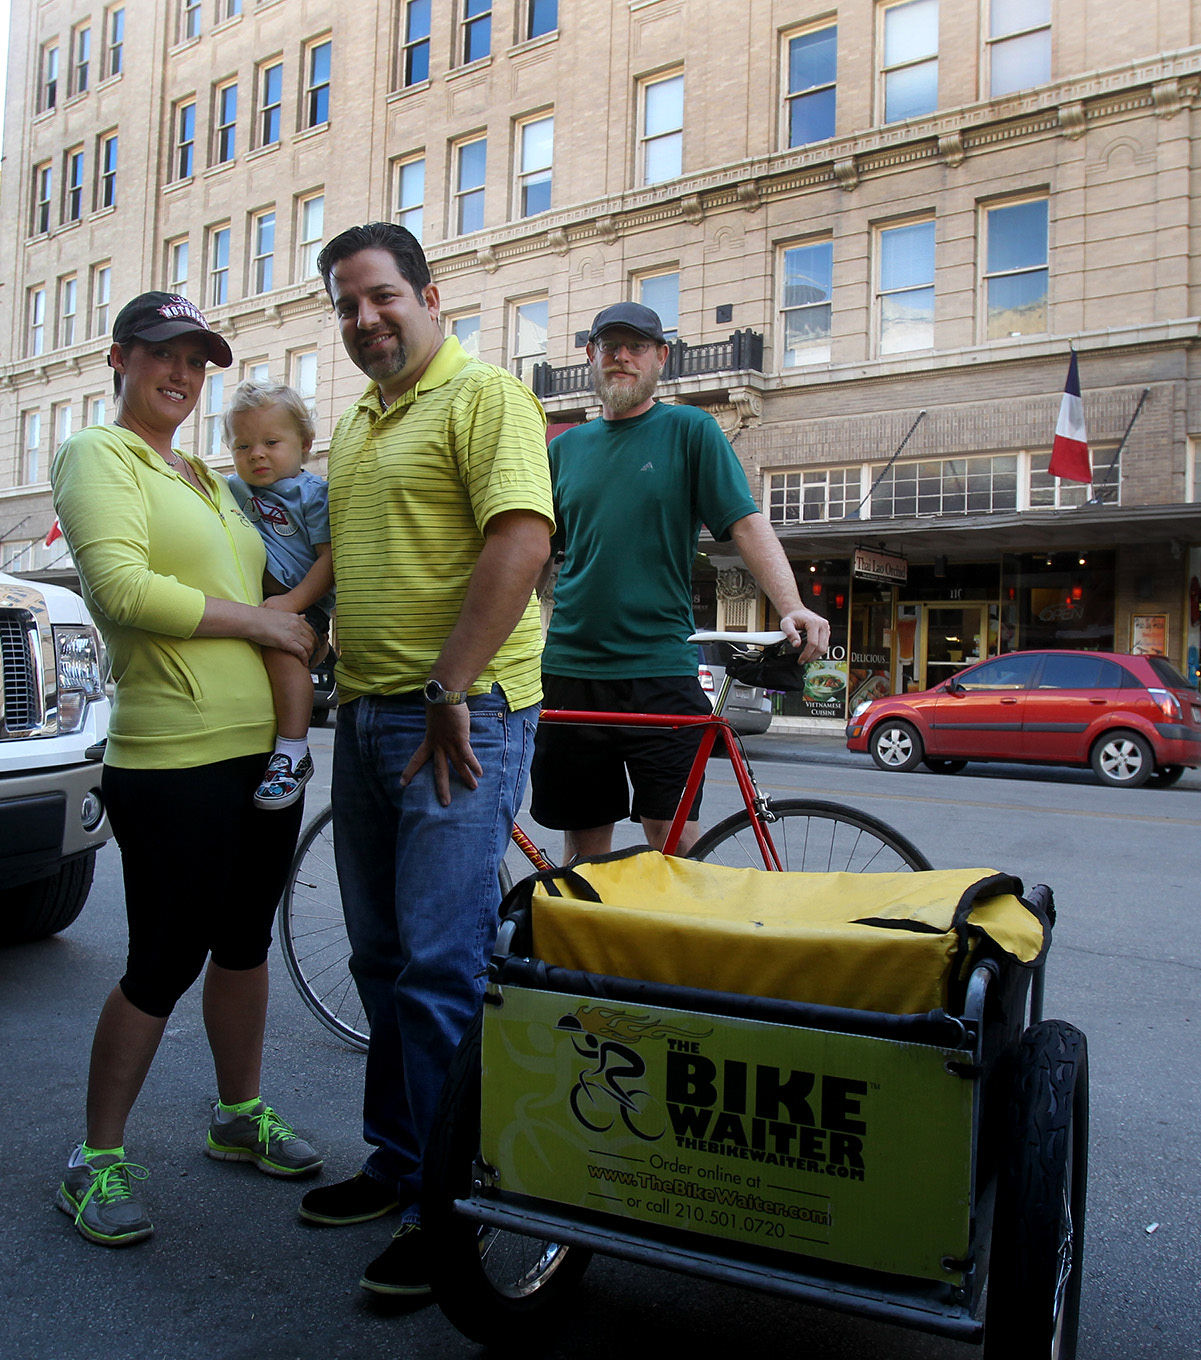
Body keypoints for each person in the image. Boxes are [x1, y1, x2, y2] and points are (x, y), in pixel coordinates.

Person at [294, 223, 553, 1298]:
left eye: (381, 297)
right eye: (346, 306)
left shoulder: (484, 397)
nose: (364, 320)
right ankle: (400, 1163)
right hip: (366, 719)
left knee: (442, 966)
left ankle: (449, 1211)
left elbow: (520, 540)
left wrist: (448, 686)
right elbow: (345, 560)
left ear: (430, 296)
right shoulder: (356, 422)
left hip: (461, 714)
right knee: (380, 962)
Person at [48, 291, 324, 1249]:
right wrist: (261, 622)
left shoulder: (210, 479)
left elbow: (270, 582)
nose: (182, 375)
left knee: (243, 942)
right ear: (120, 360)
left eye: (197, 361)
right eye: (164, 355)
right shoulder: (99, 455)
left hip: (261, 753)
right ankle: (96, 1158)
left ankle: (237, 1114)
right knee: (163, 957)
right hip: (172, 756)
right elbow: (120, 588)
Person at [531, 300, 830, 862]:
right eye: (609, 346)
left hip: (659, 669)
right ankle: (597, 949)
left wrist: (792, 605)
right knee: (584, 850)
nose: (621, 357)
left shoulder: (689, 430)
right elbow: (536, 553)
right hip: (571, 671)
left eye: (636, 346)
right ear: (591, 355)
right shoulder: (564, 448)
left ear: (660, 358)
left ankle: (686, 948)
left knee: (675, 844)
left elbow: (744, 522)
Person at [223, 379, 335, 809]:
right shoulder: (232, 489)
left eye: (271, 442)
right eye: (242, 446)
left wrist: (292, 603)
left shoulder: (312, 494)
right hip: (250, 601)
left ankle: (293, 751)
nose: (256, 454)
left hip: (298, 600)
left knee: (281, 653)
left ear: (304, 444)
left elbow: (330, 560)